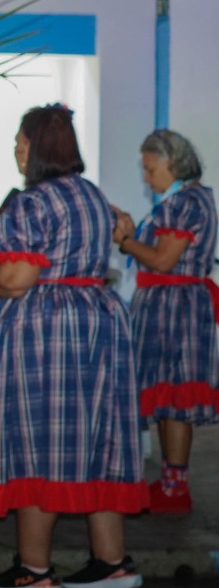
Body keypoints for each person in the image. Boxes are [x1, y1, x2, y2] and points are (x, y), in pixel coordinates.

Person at [0, 103, 146, 588]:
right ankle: (112, 562)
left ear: (38, 148)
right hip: (98, 323)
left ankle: (34, 570)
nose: (16, 150)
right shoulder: (92, 196)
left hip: (46, 331)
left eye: (21, 142)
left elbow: (18, 279)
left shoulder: (31, 202)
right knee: (93, 439)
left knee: (36, 438)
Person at [112, 129, 219, 513]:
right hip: (170, 305)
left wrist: (124, 241)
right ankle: (172, 482)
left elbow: (162, 260)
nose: (146, 177)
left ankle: (176, 486)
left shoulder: (185, 203)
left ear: (171, 163)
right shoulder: (185, 199)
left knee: (175, 395)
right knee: (169, 395)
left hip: (175, 308)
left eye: (149, 168)